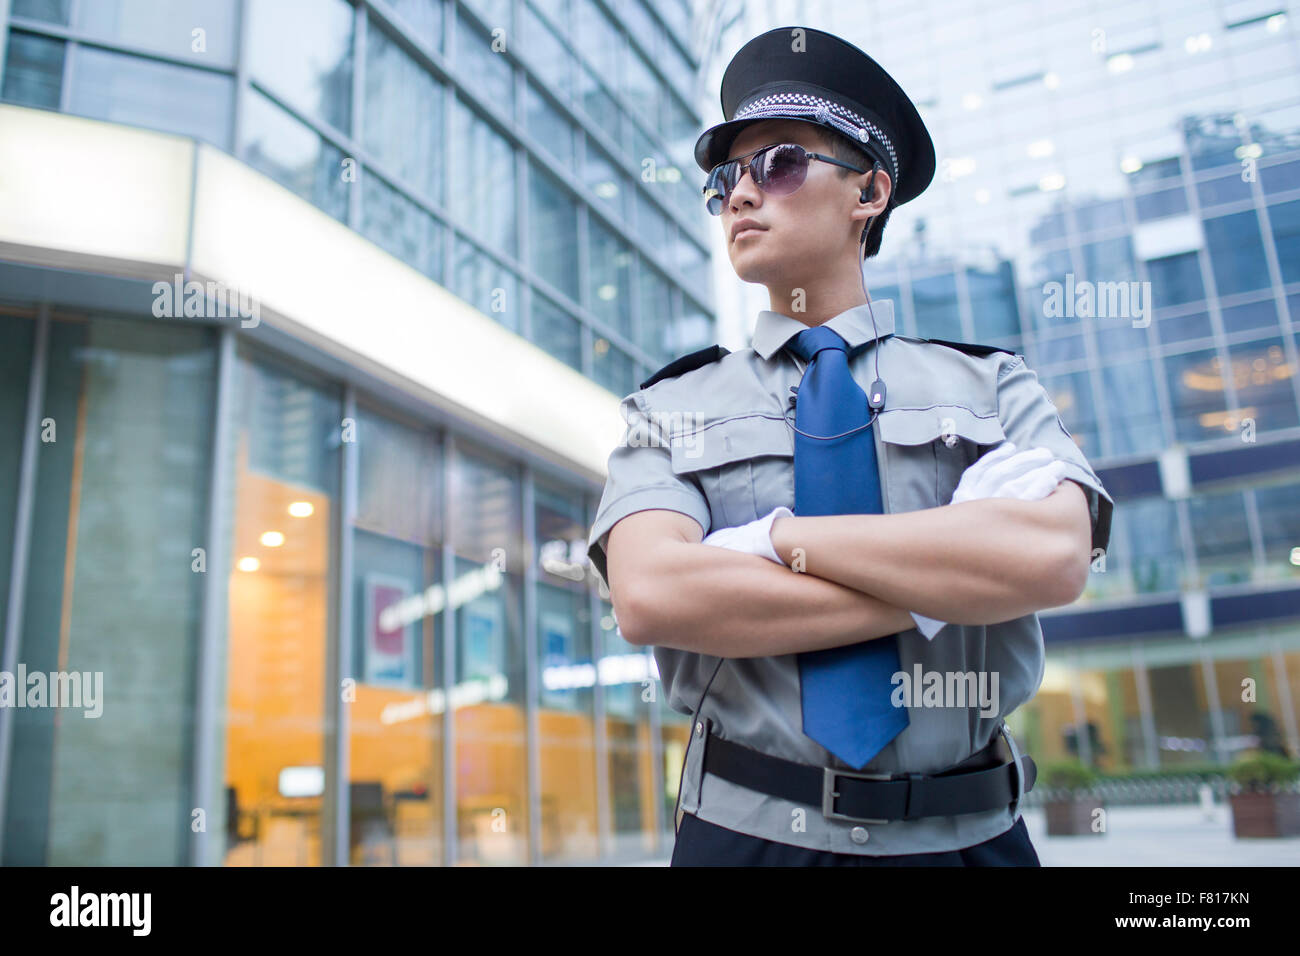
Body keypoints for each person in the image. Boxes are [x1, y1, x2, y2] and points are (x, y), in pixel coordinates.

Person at [585, 25, 1114, 866]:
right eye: (725, 179)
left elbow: (1054, 558)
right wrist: (949, 585)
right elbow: (651, 596)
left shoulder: (990, 385)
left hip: (970, 838)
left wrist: (775, 542)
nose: (740, 195)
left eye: (779, 163)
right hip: (750, 836)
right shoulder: (668, 406)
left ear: (868, 192)